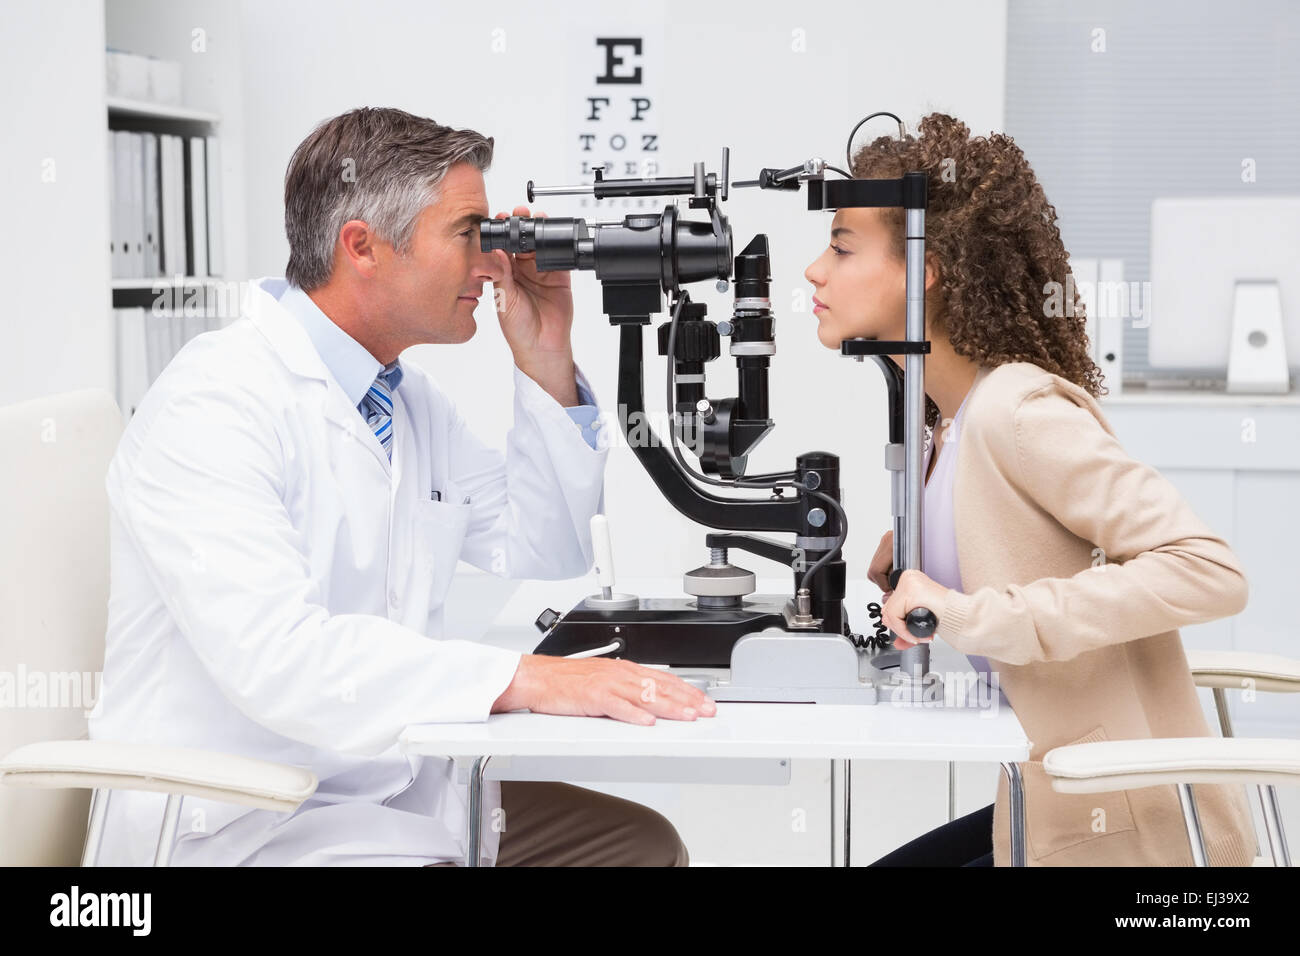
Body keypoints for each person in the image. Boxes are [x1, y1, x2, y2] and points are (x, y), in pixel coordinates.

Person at [88, 107, 714, 867]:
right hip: (247, 821)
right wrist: (522, 678)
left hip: (392, 791)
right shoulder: (214, 404)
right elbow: (281, 662)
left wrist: (546, 354)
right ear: (363, 246)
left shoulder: (404, 400)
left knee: (639, 847)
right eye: (468, 236)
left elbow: (543, 545)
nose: (492, 267)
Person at [803, 113, 1258, 866]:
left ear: (926, 270)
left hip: (1131, 833)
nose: (814, 272)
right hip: (1053, 799)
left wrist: (974, 614)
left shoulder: (1014, 411)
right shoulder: (946, 427)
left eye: (841, 246)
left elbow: (1209, 569)